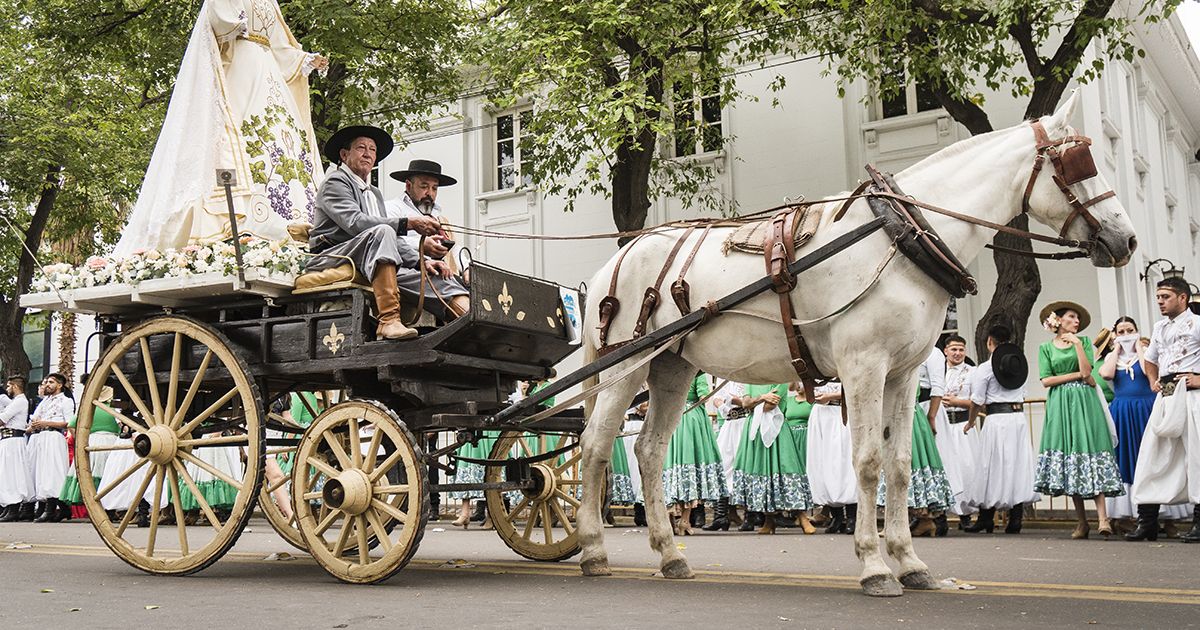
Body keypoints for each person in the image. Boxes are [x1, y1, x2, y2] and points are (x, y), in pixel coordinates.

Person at [115, 0, 327, 255]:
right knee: (238, 138)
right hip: (240, 66)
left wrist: (304, 59)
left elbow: (280, 45)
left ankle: (292, 227)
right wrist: (234, 26)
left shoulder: (270, 3)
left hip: (269, 76)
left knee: (280, 146)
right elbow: (217, 19)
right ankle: (239, 222)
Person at [303, 126, 466, 340]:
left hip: (371, 257)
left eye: (372, 149)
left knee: (435, 274)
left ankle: (471, 328)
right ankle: (389, 321)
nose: (368, 153)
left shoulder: (375, 193)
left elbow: (389, 239)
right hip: (335, 255)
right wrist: (409, 223)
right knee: (382, 231)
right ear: (344, 155)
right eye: (361, 148)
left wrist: (420, 262)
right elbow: (355, 223)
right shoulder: (335, 183)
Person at [1034, 301, 1123, 539]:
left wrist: (1077, 347)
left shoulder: (1082, 342)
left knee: (1090, 448)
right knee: (1070, 454)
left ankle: (1103, 519)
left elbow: (1087, 372)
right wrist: (1074, 376)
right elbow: (1046, 380)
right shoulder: (1045, 347)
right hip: (1060, 402)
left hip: (1085, 400)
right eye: (1072, 317)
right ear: (1058, 320)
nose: (1076, 321)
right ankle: (1082, 522)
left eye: (1077, 319)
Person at [1096, 318, 1192, 539]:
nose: (1126, 333)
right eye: (1121, 331)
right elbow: (1107, 374)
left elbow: (1151, 371)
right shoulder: (1113, 357)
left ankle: (1168, 519)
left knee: (1155, 457)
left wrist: (1139, 347)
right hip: (1123, 410)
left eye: (1130, 330)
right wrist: (1118, 347)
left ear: (1137, 331)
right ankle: (1138, 518)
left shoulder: (1148, 351)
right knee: (1127, 459)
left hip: (1146, 407)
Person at [1130, 278, 1200, 543]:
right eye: (1158, 296)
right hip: (1166, 396)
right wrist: (1152, 380)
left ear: (1183, 297)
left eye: (1165, 296)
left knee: (1196, 455)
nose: (1159, 301)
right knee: (1152, 453)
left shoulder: (1197, 324)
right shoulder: (1159, 328)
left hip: (1193, 396)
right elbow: (1150, 360)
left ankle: (1199, 523)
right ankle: (1147, 522)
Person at [963, 325, 1041, 533]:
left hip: (997, 419)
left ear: (990, 341)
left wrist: (971, 421)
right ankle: (1015, 518)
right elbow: (1023, 392)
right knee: (1017, 464)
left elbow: (977, 400)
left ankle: (986, 516)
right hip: (1018, 418)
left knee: (991, 465)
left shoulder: (985, 369)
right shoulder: (1019, 364)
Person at [729, 383, 811, 534]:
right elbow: (745, 404)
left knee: (786, 467)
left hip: (777, 428)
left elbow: (770, 406)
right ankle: (769, 521)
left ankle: (802, 517)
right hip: (755, 428)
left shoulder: (779, 378)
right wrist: (762, 397)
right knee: (762, 470)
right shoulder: (750, 380)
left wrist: (755, 401)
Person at [919, 345, 976, 534]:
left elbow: (937, 387)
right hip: (915, 408)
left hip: (929, 408)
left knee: (940, 460)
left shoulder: (933, 354)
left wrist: (932, 416)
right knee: (923, 462)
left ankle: (941, 517)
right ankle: (930, 515)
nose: (958, 353)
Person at [661, 373, 726, 536]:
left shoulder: (669, 370)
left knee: (671, 464)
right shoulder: (697, 373)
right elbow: (704, 397)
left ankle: (670, 517)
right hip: (690, 418)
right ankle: (684, 520)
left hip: (670, 415)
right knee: (691, 465)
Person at [59, 380, 121, 521]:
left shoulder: (88, 407)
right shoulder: (113, 408)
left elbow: (71, 425)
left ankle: (94, 507)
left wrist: (81, 440)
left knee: (91, 474)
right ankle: (109, 509)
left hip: (91, 442)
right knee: (108, 475)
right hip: (111, 442)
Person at [806, 381, 858, 534]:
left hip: (841, 411)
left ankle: (852, 517)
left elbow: (857, 386)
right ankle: (836, 516)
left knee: (845, 463)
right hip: (822, 414)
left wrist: (831, 396)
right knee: (825, 463)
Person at [941, 335, 979, 528]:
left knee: (966, 467)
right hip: (942, 425)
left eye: (961, 349)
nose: (957, 353)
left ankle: (966, 514)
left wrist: (959, 402)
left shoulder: (972, 372)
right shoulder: (938, 372)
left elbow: (979, 401)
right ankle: (941, 513)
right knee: (945, 467)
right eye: (954, 349)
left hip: (963, 424)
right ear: (946, 351)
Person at [27, 374, 74, 522]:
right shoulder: (45, 401)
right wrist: (34, 424)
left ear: (59, 385)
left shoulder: (66, 401)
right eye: (47, 382)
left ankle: (51, 508)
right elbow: (35, 417)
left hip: (54, 437)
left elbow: (68, 422)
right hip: (41, 437)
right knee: (42, 472)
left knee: (53, 472)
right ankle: (51, 507)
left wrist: (47, 422)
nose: (47, 384)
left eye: (51, 382)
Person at [784, 382, 817, 534]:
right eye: (796, 382)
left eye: (802, 382)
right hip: (790, 439)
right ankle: (796, 513)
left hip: (807, 438)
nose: (799, 385)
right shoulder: (789, 401)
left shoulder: (814, 401)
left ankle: (813, 510)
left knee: (809, 473)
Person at [0, 376, 32, 522]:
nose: (7, 389)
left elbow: (2, 419)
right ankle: (8, 506)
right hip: (8, 439)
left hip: (13, 440)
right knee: (6, 474)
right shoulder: (15, 402)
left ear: (15, 386)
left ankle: (13, 507)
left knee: (12, 474)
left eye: (8, 386)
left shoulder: (20, 401)